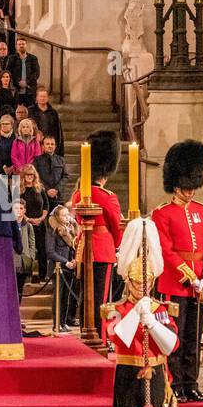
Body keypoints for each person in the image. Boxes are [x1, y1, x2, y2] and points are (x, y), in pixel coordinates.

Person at [103, 218, 179, 407]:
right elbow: (117, 336)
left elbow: (171, 344)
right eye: (138, 282)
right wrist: (137, 312)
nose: (143, 286)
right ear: (129, 281)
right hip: (127, 372)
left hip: (156, 374)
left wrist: (153, 321)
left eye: (147, 282)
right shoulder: (117, 309)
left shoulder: (161, 309)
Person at [151, 141, 203, 403]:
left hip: (199, 283)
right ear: (175, 185)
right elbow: (166, 250)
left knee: (193, 336)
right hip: (175, 284)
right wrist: (191, 276)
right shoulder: (162, 213)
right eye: (185, 188)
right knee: (174, 335)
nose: (189, 192)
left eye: (192, 188)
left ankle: (190, 383)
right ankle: (174, 383)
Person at [71, 130, 125, 340]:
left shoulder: (78, 194)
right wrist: (117, 245)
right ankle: (100, 336)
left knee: (86, 295)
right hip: (102, 249)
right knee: (101, 297)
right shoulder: (106, 196)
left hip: (84, 247)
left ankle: (87, 331)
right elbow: (116, 225)